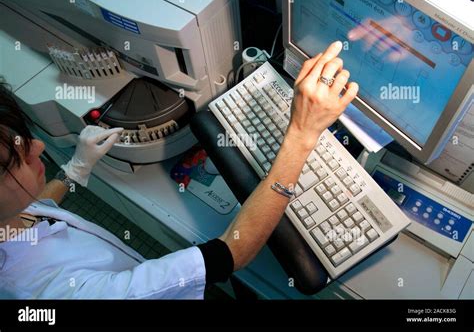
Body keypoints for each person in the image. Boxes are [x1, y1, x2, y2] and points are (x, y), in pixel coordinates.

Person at [0, 41, 358, 299]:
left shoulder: (8, 221)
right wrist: (301, 134)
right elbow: (231, 253)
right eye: (15, 160)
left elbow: (33, 211)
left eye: (21, 140)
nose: (39, 147)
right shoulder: (58, 292)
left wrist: (75, 171)